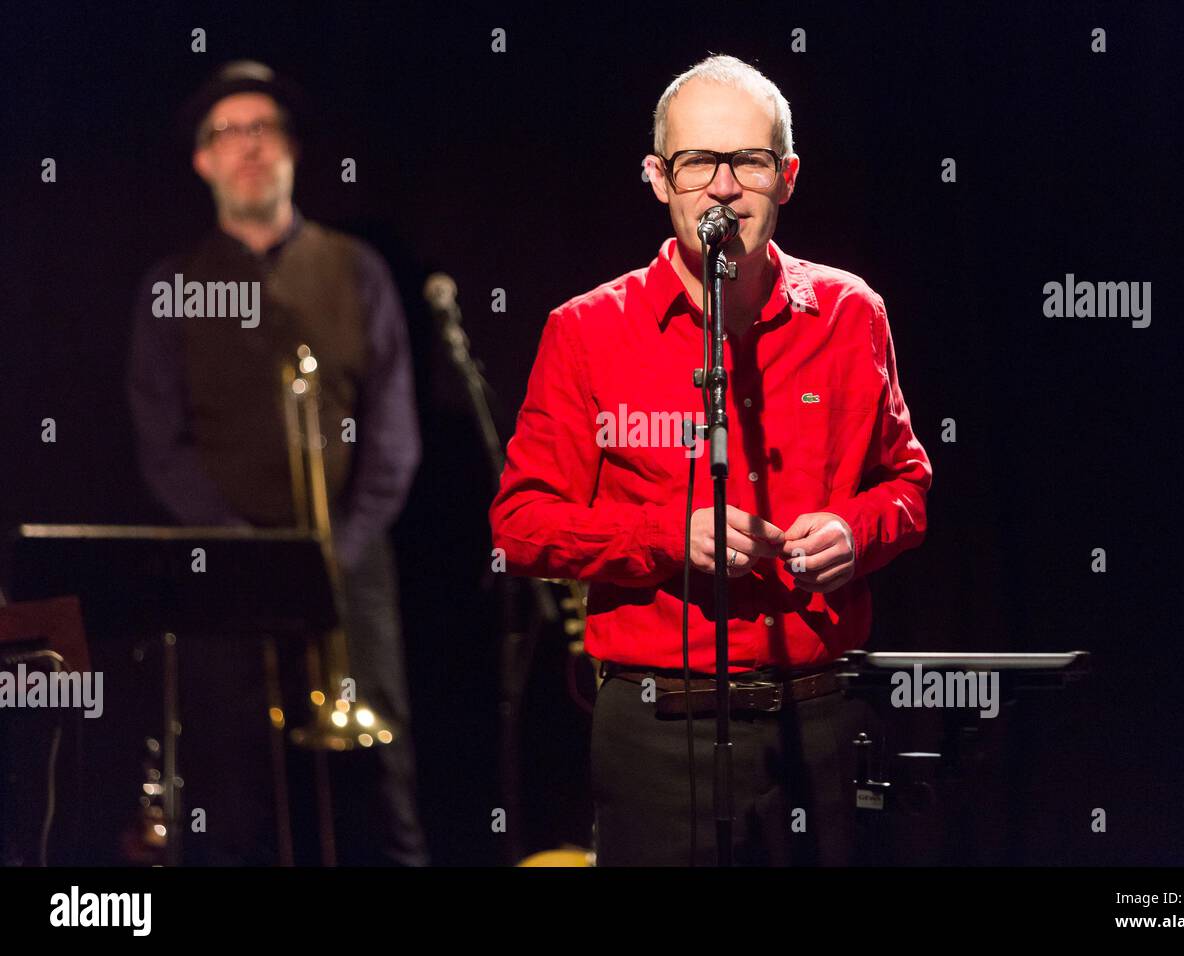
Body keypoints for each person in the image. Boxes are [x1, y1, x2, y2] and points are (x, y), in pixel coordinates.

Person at [489, 54, 933, 866]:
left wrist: (856, 530)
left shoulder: (849, 313)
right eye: (698, 161)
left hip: (820, 717)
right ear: (660, 178)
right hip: (660, 729)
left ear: (786, 176)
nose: (723, 187)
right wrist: (666, 537)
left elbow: (907, 488)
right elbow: (519, 527)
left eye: (749, 162)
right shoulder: (587, 329)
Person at [127, 61, 428, 865]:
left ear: (292, 150)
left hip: (349, 573)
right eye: (227, 133)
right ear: (203, 161)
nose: (248, 147)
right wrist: (239, 548)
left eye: (263, 129)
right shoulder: (171, 285)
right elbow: (162, 443)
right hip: (224, 576)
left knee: (378, 790)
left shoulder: (355, 268)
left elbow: (394, 432)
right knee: (232, 794)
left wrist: (344, 546)